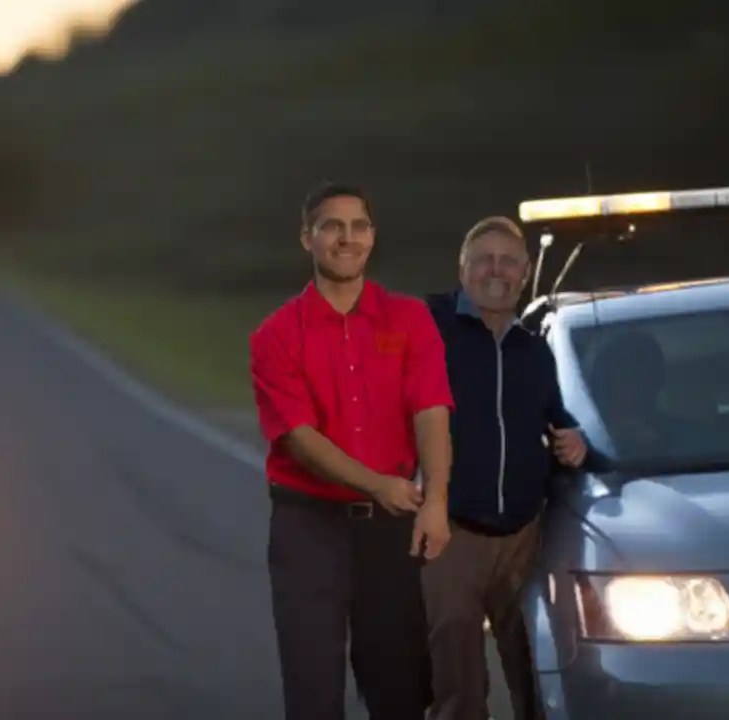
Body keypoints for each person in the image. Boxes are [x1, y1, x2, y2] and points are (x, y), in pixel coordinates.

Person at [249, 181, 455, 720]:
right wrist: (379, 484)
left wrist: (435, 500)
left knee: (400, 689)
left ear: (372, 236)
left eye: (358, 226)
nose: (347, 238)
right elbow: (300, 437)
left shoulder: (409, 319)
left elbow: (431, 410)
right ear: (307, 238)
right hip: (307, 528)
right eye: (331, 226)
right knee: (314, 691)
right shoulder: (275, 336)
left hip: (389, 531)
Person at [422, 216, 587, 720]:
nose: (496, 271)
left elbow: (558, 417)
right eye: (484, 259)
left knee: (539, 675)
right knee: (460, 688)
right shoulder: (425, 326)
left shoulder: (535, 351)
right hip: (451, 536)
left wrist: (575, 438)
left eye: (508, 261)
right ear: (463, 267)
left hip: (524, 539)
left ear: (525, 271)